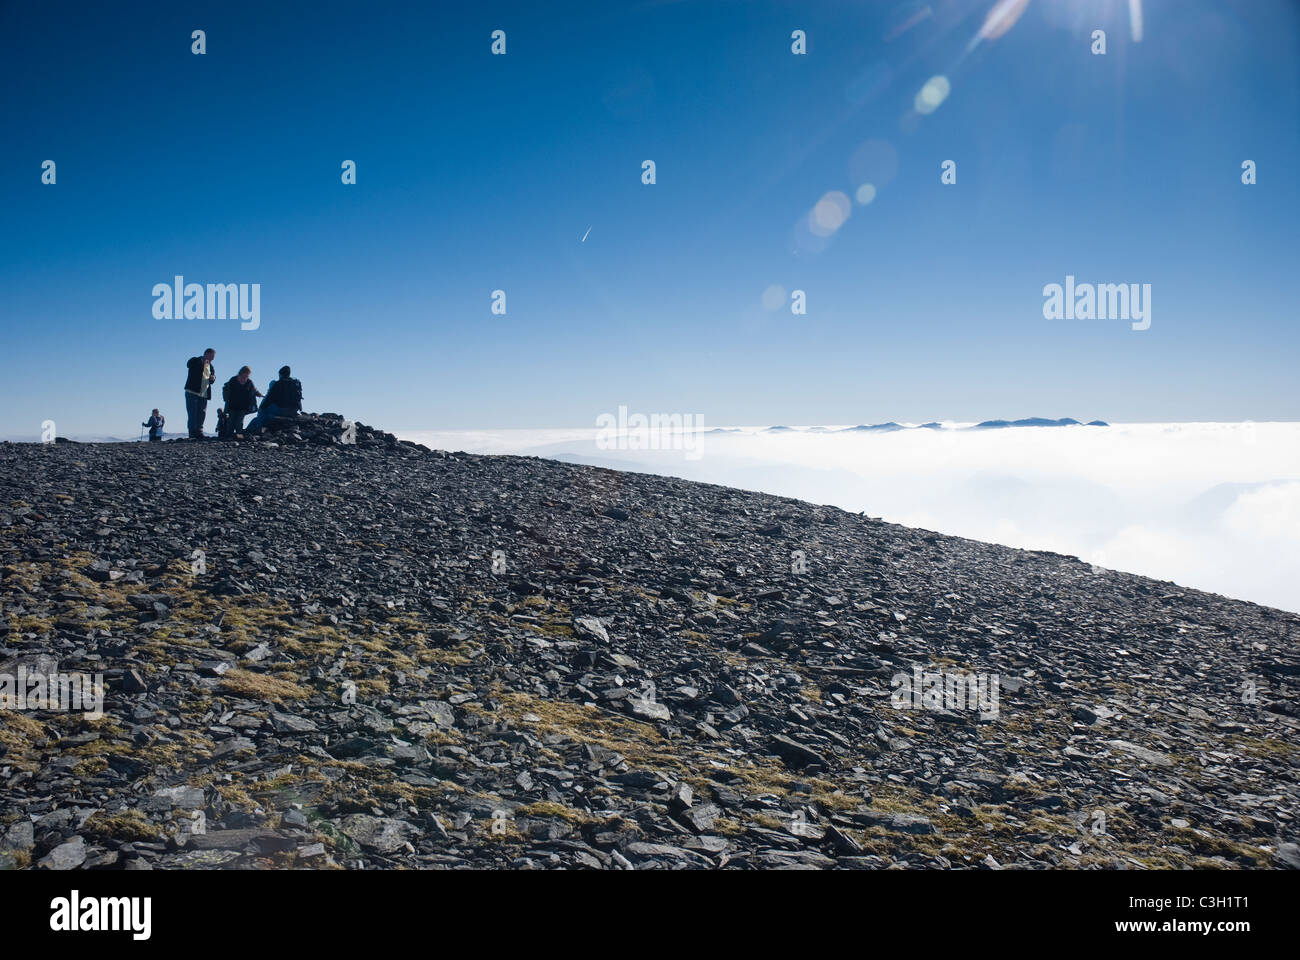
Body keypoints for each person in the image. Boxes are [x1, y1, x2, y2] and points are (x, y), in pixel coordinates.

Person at [246, 365, 303, 433]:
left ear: (281, 374)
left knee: (262, 412)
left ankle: (258, 429)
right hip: (293, 410)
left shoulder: (277, 384)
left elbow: (269, 399)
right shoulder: (296, 383)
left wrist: (262, 408)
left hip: (281, 410)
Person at [220, 366, 263, 438]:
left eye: (247, 376)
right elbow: (226, 389)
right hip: (232, 406)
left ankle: (238, 436)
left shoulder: (249, 382)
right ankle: (228, 436)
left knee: (239, 422)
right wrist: (226, 399)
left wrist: (259, 394)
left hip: (243, 407)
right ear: (240, 374)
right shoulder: (233, 380)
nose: (244, 379)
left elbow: (254, 390)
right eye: (243, 376)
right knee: (231, 421)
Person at [184, 348, 217, 439]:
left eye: (213, 358)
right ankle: (192, 432)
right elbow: (188, 364)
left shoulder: (211, 366)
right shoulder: (195, 360)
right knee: (192, 413)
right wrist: (202, 361)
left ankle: (199, 432)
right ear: (206, 354)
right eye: (211, 357)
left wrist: (213, 378)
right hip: (192, 391)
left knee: (202, 414)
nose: (211, 360)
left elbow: (212, 378)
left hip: (204, 393)